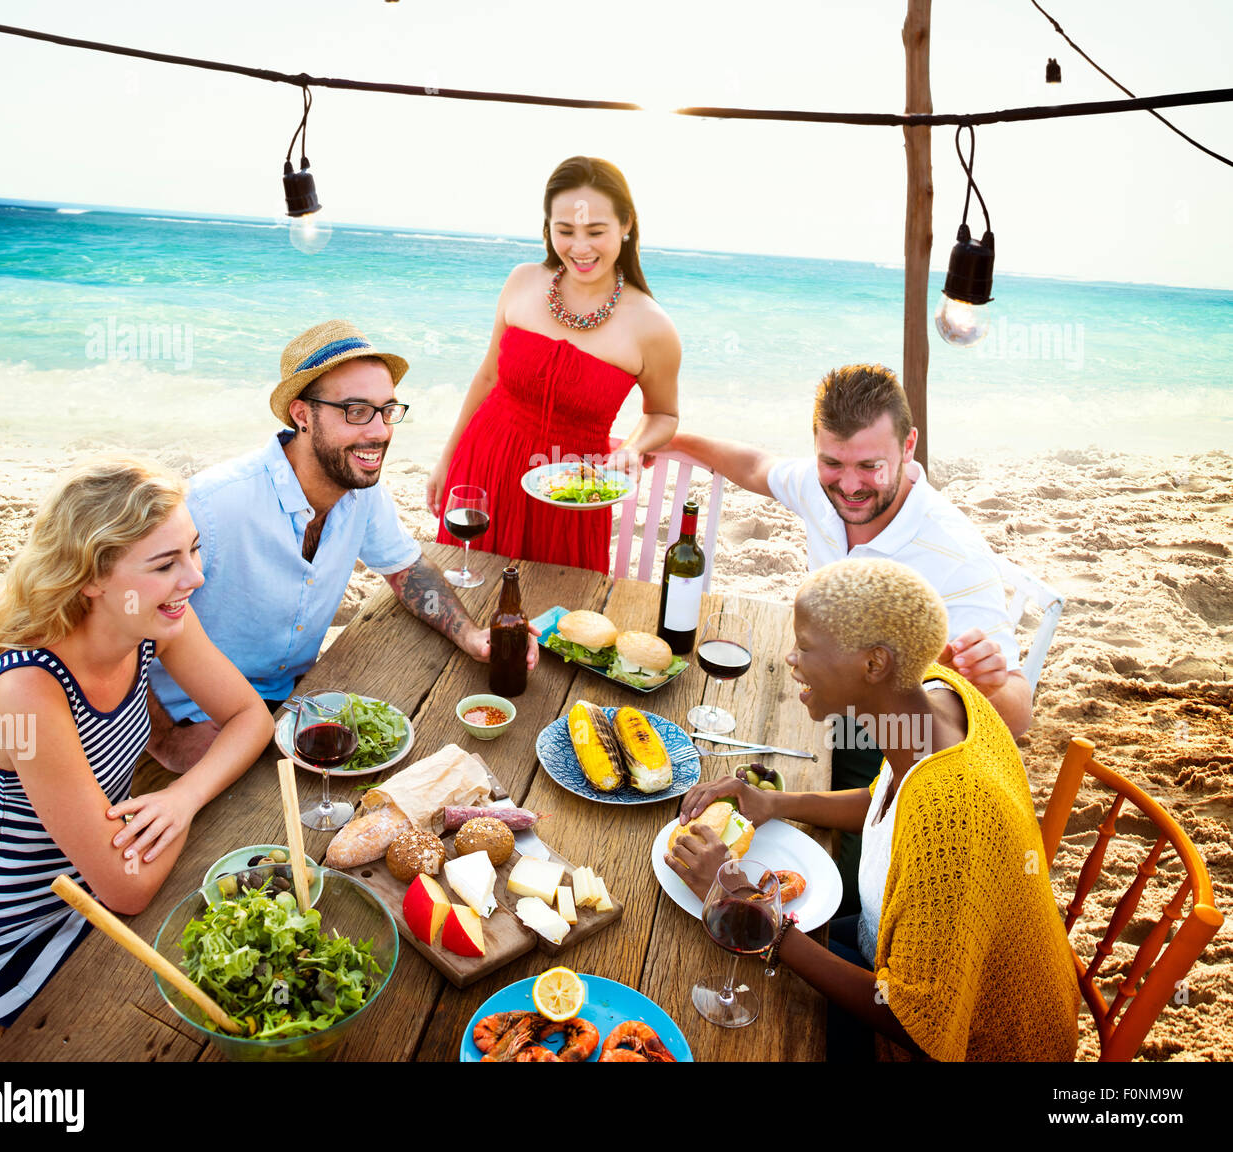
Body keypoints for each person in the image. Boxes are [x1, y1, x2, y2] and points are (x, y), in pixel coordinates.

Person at [667, 559, 1079, 1063]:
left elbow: (912, 1019)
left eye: (806, 647)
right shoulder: (934, 697)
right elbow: (886, 802)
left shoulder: (952, 815)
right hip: (887, 951)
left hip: (964, 1039)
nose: (791, 658)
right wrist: (774, 803)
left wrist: (745, 906)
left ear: (874, 664)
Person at [670, 363, 1033, 912]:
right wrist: (669, 437)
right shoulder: (825, 487)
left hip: (899, 736)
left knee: (813, 883)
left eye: (870, 466)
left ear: (909, 447)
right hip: (844, 713)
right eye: (832, 463)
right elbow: (755, 465)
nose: (849, 484)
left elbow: (1016, 714)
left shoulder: (956, 556)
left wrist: (987, 677)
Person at [0, 458, 272, 1031]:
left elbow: (251, 718)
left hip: (112, 857)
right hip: (26, 941)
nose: (194, 576)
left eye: (193, 550)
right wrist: (182, 803)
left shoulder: (154, 620)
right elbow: (127, 888)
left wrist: (182, 797)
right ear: (93, 577)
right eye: (165, 563)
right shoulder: (24, 691)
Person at [147, 319, 537, 764]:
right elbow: (120, 623)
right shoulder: (213, 505)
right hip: (197, 720)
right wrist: (163, 740)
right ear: (301, 415)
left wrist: (472, 636)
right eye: (356, 411)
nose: (379, 431)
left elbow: (407, 570)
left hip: (296, 706)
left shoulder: (362, 492)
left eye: (387, 410)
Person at [427, 155, 681, 574]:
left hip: (571, 491)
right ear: (548, 229)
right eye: (565, 231)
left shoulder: (653, 326)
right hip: (485, 463)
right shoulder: (522, 281)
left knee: (556, 626)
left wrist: (634, 447)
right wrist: (446, 458)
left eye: (596, 231)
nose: (580, 248)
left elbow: (663, 413)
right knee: (469, 599)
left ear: (626, 224)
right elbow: (489, 375)